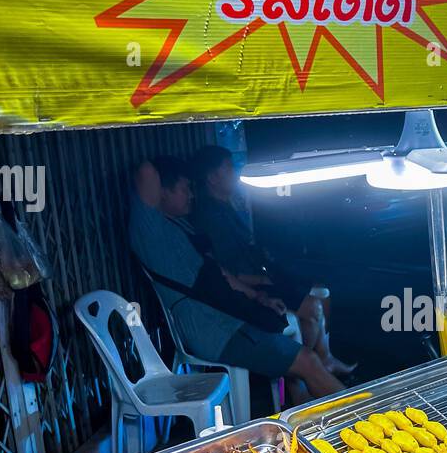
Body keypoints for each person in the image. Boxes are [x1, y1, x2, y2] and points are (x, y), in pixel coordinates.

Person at [128, 160, 342, 402]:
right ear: (162, 193)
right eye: (183, 188)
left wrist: (259, 297)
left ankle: (303, 405)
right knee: (308, 360)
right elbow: (146, 170)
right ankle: (356, 420)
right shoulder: (149, 229)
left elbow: (222, 275)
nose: (191, 195)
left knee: (299, 351)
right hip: (213, 332)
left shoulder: (181, 226)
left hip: (230, 318)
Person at [190, 144, 354, 378]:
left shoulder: (228, 206)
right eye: (228, 168)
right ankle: (306, 370)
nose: (235, 173)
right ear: (212, 178)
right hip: (251, 286)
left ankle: (319, 362)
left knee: (323, 293)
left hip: (264, 275)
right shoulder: (210, 217)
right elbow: (227, 270)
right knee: (313, 306)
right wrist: (262, 280)